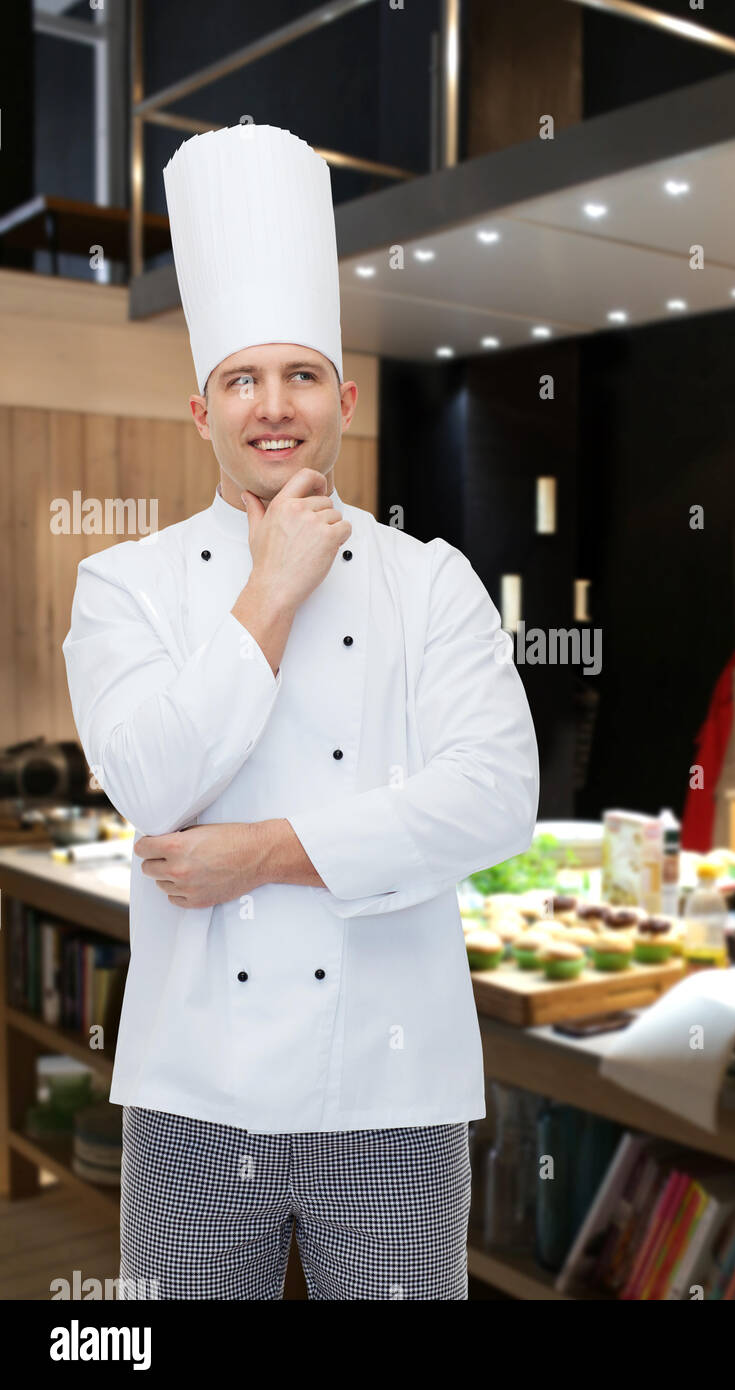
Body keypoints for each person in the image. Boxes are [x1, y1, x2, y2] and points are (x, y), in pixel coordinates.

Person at [61, 123, 540, 1300]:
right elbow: (150, 783)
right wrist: (272, 586)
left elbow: (496, 797)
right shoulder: (124, 583)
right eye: (242, 380)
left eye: (300, 376)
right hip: (189, 1092)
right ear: (201, 409)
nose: (273, 407)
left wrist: (267, 854)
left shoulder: (429, 579)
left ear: (345, 395)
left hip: (393, 1091)